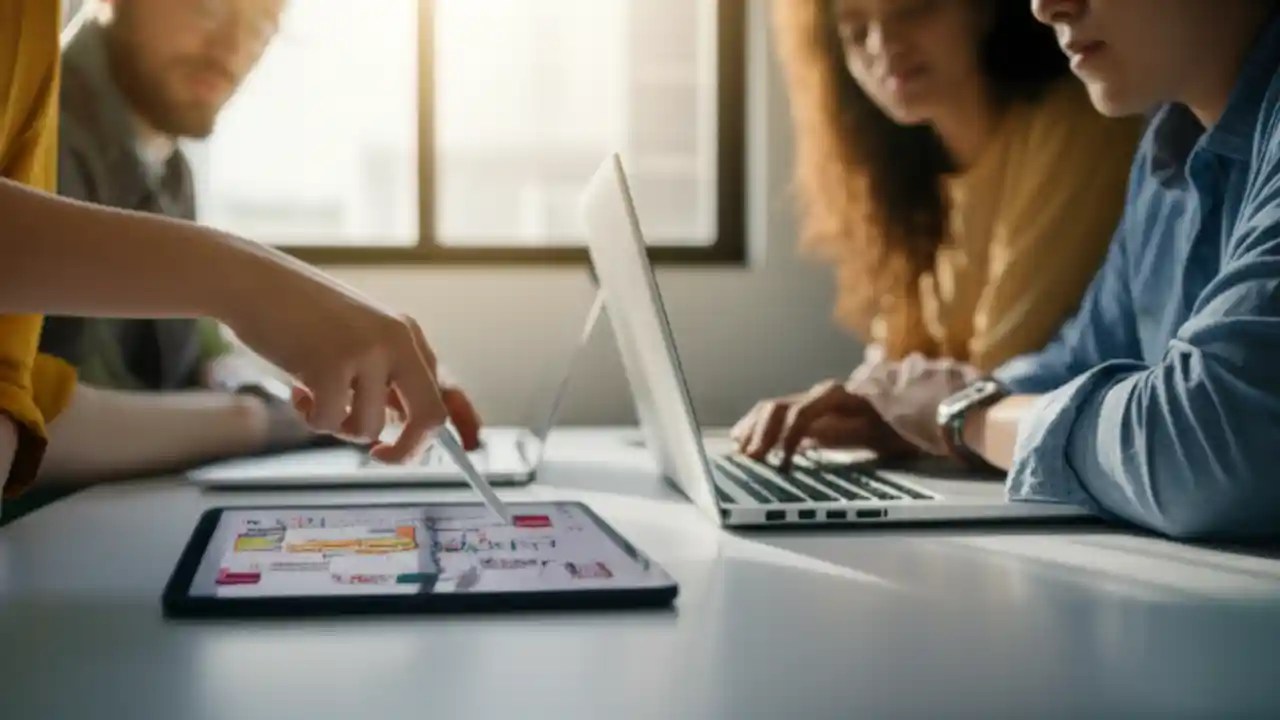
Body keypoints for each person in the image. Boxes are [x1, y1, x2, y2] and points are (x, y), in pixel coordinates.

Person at [738, 0, 1280, 541]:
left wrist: (965, 417)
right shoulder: (1168, 147)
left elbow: (1203, 447)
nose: (1045, 7)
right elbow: (1084, 356)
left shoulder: (1083, 132)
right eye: (855, 32)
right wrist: (911, 414)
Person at [1, 0, 477, 514]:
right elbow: (38, 411)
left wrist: (335, 383)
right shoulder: (42, 134)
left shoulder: (169, 170)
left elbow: (201, 351)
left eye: (263, 26)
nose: (233, 47)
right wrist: (271, 419)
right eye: (208, 7)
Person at [733, 0, 1140, 459]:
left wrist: (890, 401)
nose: (883, 46)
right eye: (855, 31)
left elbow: (995, 376)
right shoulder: (908, 186)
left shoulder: (1075, 128)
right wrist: (846, 409)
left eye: (912, 11)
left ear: (981, 10)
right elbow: (893, 377)